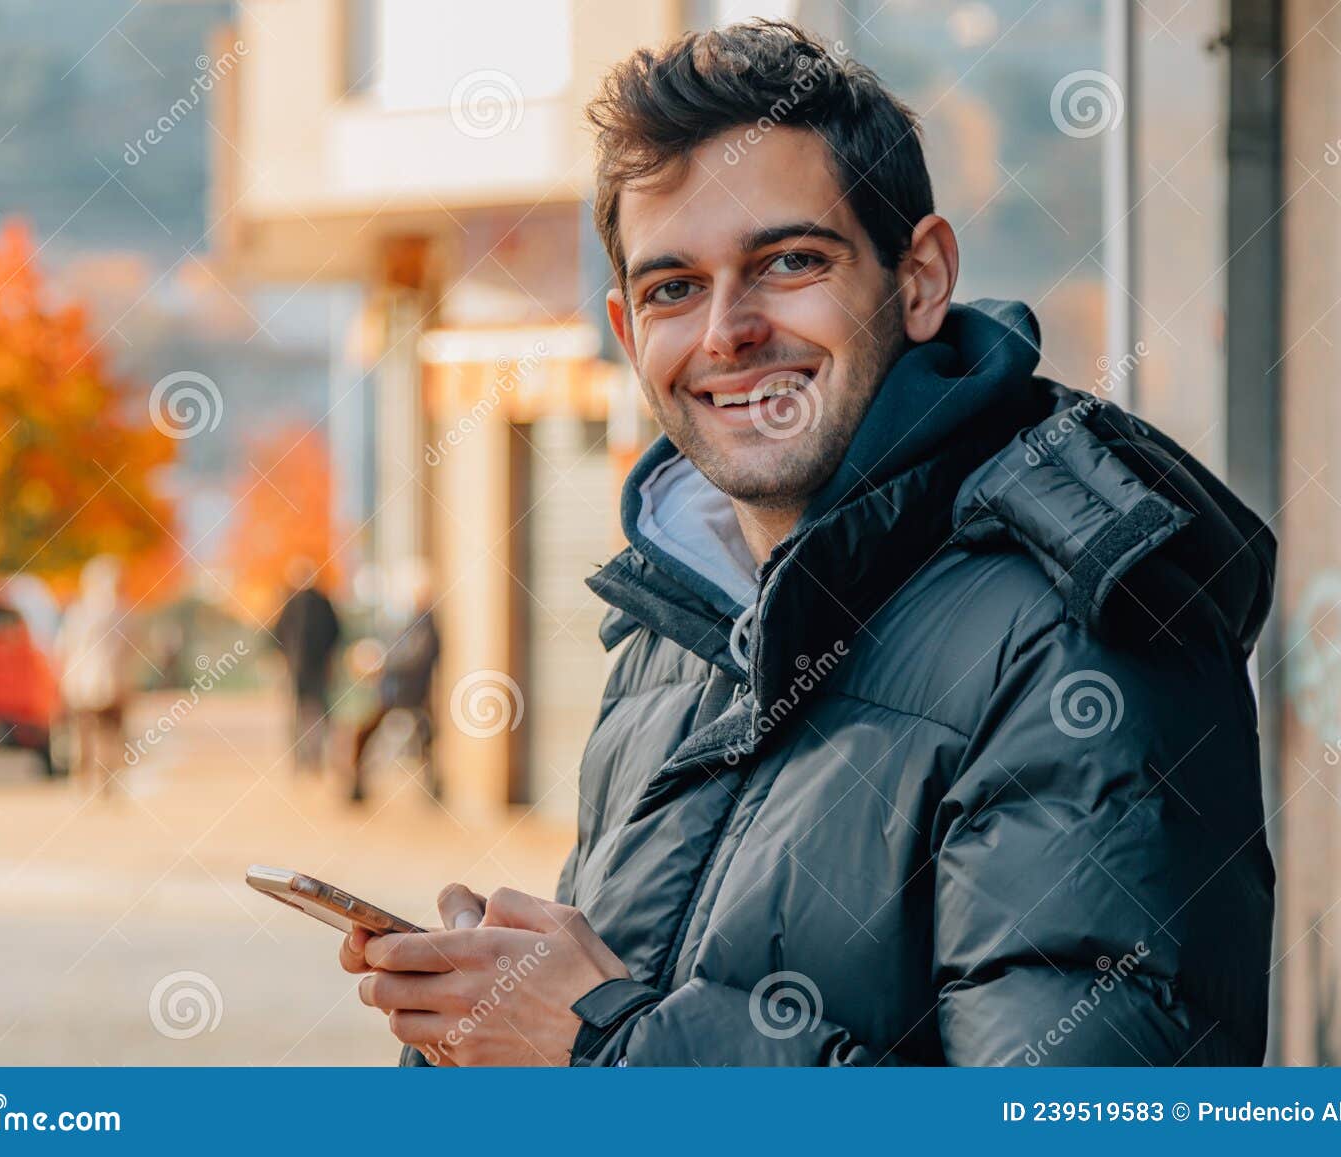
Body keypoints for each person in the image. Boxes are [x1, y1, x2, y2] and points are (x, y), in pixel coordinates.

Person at [342, 20, 1276, 1067]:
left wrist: (601, 1043)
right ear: (626, 331)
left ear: (919, 278)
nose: (726, 330)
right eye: (672, 288)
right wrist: (486, 1030)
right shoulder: (677, 628)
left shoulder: (1080, 635)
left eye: (787, 260)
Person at [346, 579, 440, 804]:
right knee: (418, 739)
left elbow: (415, 658)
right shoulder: (413, 623)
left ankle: (434, 786)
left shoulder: (426, 625)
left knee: (423, 739)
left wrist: (384, 665)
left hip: (407, 693)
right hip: (397, 691)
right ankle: (358, 784)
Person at [56, 555, 131, 797]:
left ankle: (82, 785)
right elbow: (132, 650)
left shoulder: (78, 613)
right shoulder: (122, 614)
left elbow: (63, 647)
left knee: (83, 736)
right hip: (112, 684)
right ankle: (108, 787)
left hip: (81, 684)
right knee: (111, 736)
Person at [271, 558, 340, 775]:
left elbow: (333, 633)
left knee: (312, 712)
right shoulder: (297, 604)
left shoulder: (315, 603)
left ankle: (312, 757)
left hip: (310, 668)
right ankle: (304, 758)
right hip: (304, 668)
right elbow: (278, 634)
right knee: (307, 712)